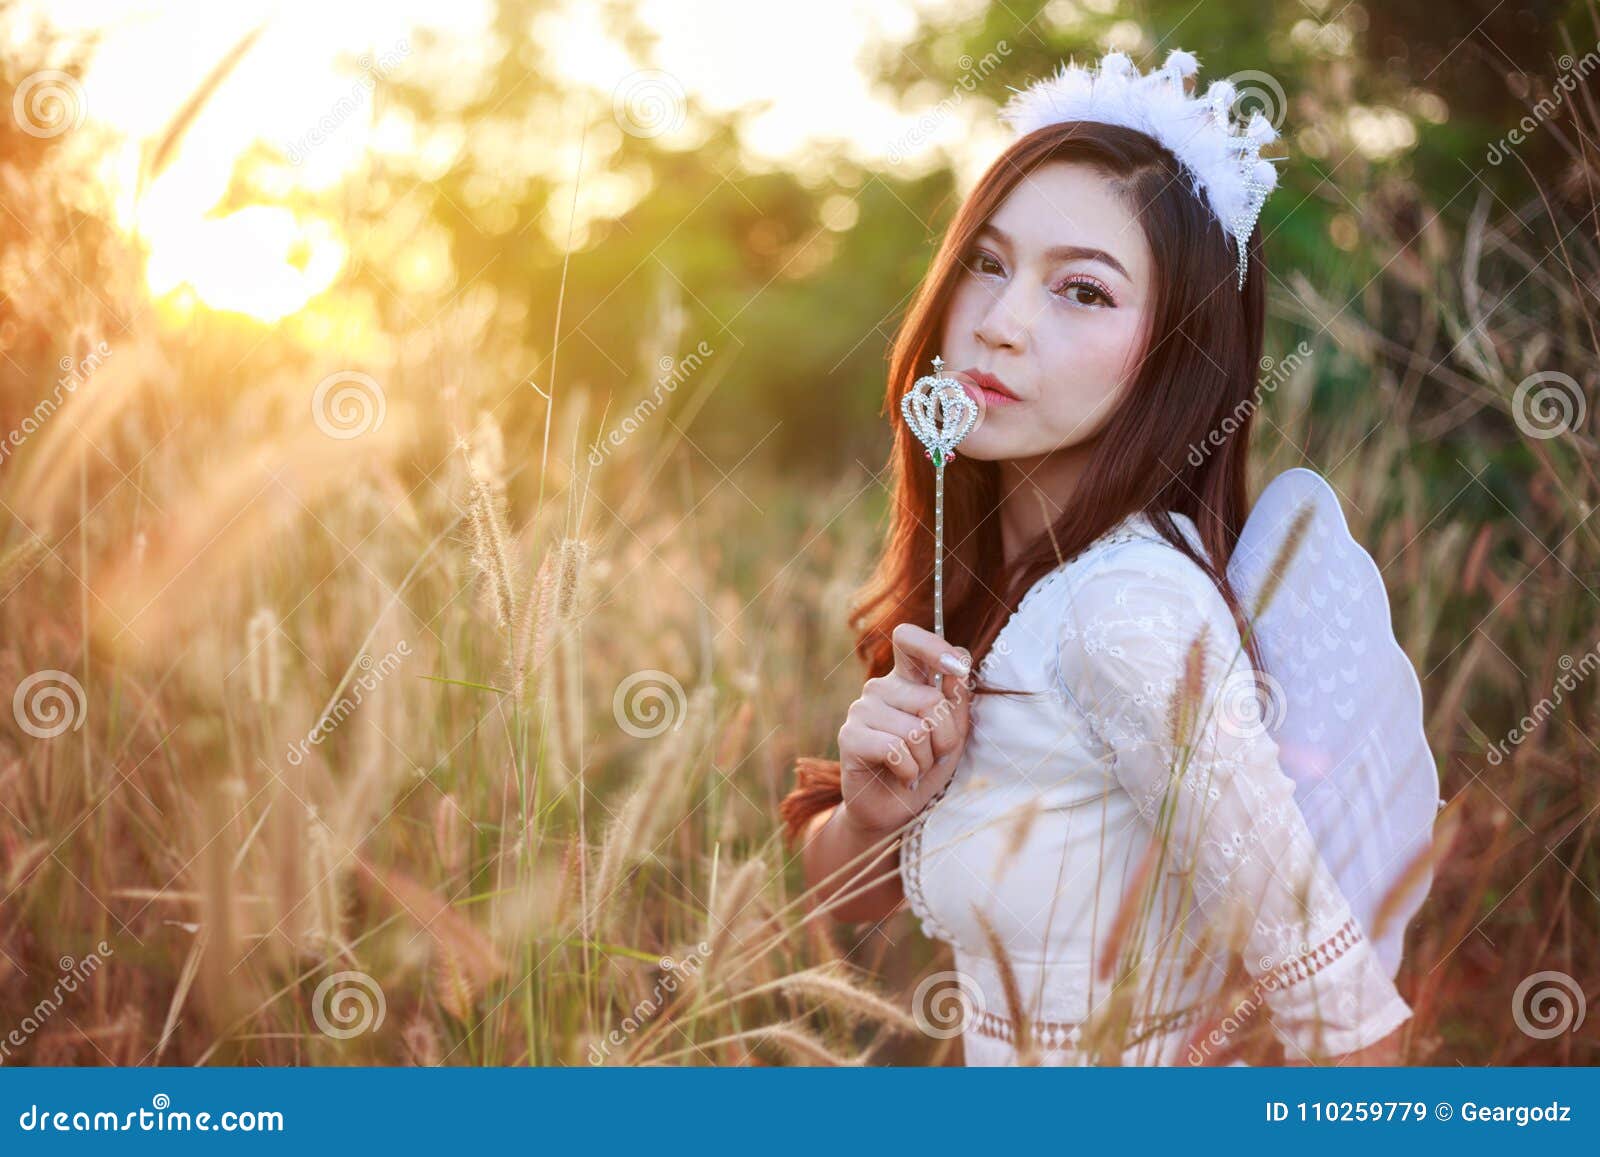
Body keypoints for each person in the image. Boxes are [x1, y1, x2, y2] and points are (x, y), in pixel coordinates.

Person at [778, 50, 1438, 1067]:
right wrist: (873, 811)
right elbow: (844, 903)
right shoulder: (1026, 592)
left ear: (1174, 352)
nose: (998, 324)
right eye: (984, 263)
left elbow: (1347, 1027)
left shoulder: (1125, 610)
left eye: (1081, 291)